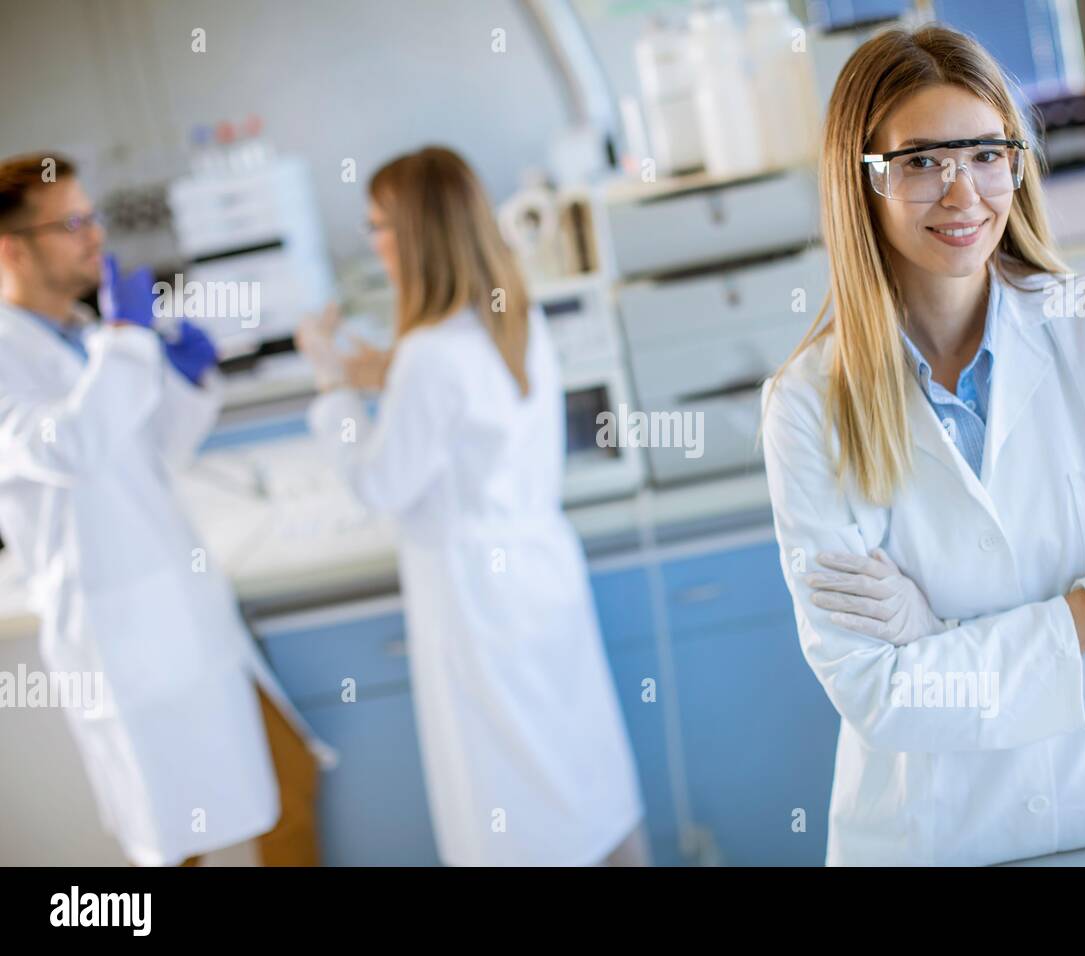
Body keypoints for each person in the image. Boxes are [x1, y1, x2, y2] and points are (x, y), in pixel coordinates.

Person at [760, 27, 1085, 866]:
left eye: (987, 153)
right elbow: (877, 690)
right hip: (947, 833)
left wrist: (941, 645)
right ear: (861, 183)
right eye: (920, 163)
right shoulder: (806, 406)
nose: (964, 194)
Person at [297, 146, 647, 866]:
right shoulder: (512, 315)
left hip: (476, 601)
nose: (374, 245)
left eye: (379, 227)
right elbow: (458, 393)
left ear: (417, 234)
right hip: (539, 576)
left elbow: (376, 488)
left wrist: (332, 385)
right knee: (578, 777)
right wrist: (381, 371)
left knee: (511, 812)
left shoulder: (429, 353)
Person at [0, 152, 334, 866]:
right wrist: (125, 344)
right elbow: (70, 446)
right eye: (71, 224)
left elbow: (154, 451)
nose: (95, 237)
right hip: (119, 638)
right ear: (11, 248)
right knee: (178, 839)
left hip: (186, 615)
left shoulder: (86, 338)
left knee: (286, 786)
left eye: (93, 219)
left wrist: (187, 376)